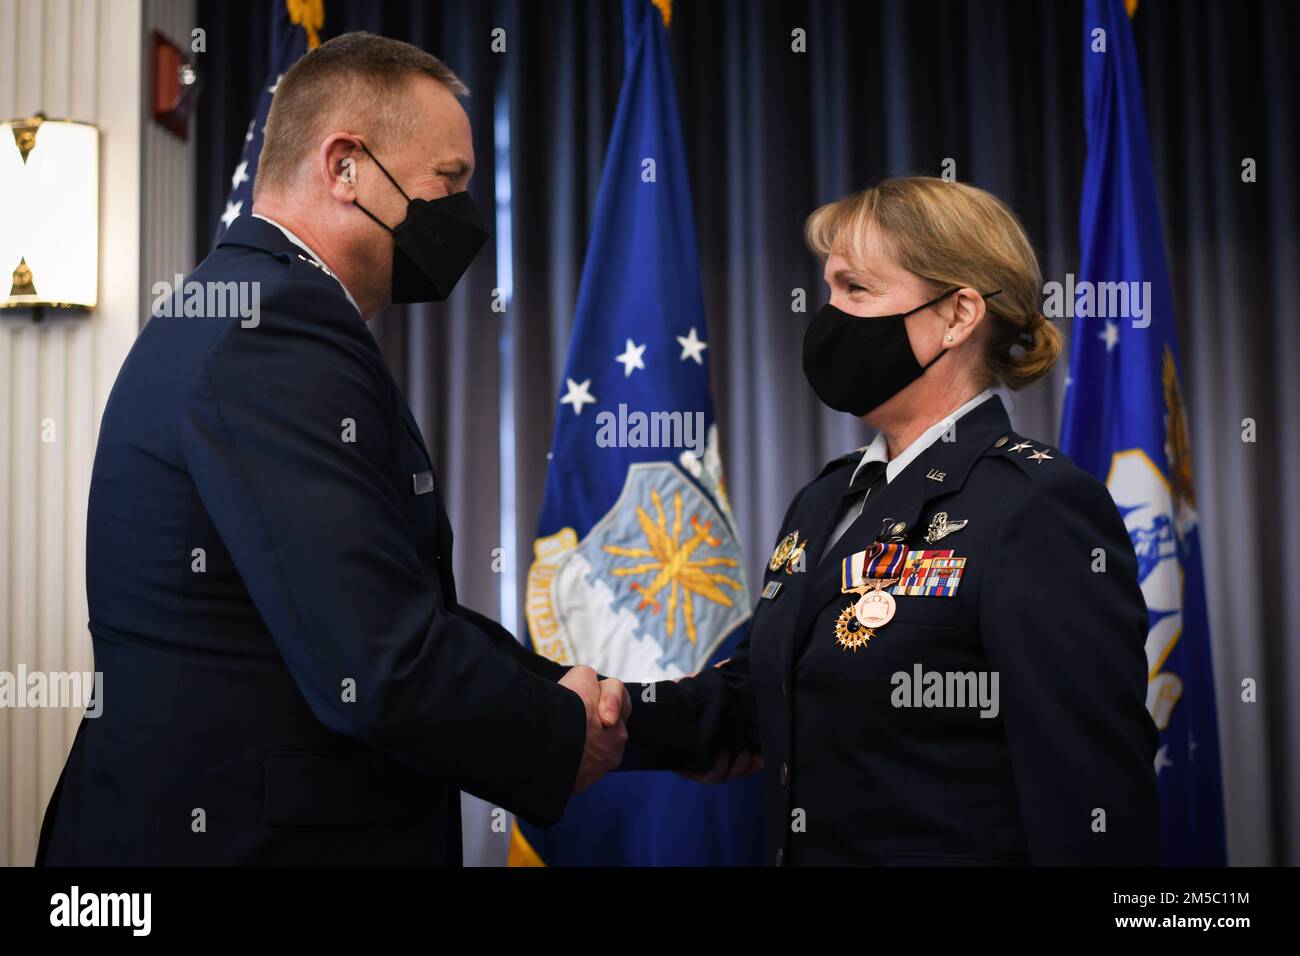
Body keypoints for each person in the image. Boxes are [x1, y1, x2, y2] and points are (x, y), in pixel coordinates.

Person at [37, 32, 629, 866]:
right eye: (449, 182)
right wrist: (561, 731)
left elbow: (388, 610)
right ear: (346, 166)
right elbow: (382, 662)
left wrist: (608, 705)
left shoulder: (240, 302)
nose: (464, 212)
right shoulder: (277, 325)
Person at [624, 177, 1160, 866]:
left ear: (957, 315)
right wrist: (596, 714)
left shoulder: (1036, 508)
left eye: (856, 290)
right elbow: (760, 695)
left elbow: (1092, 805)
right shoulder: (824, 502)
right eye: (829, 292)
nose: (828, 318)